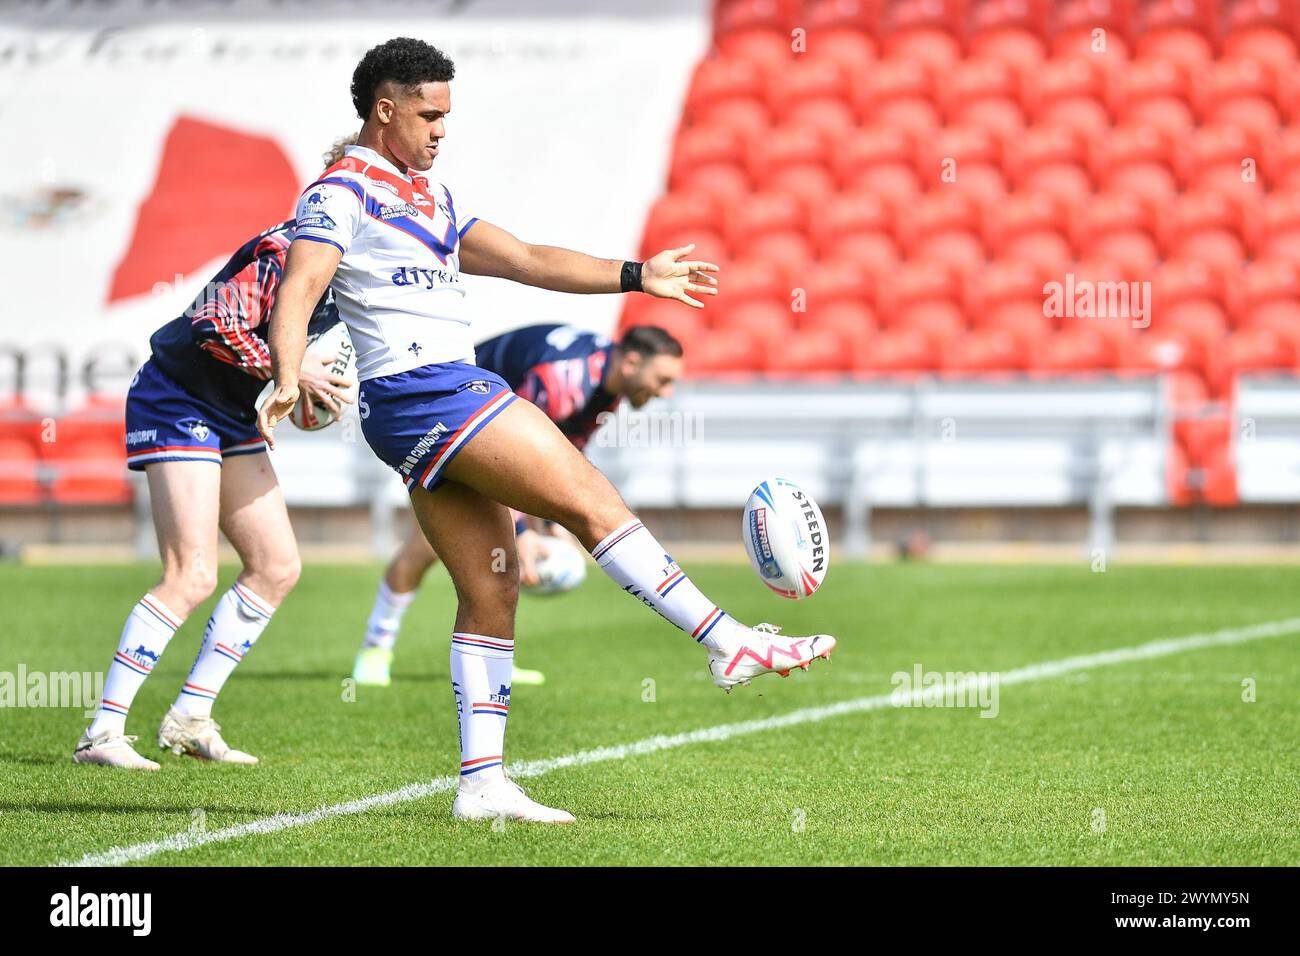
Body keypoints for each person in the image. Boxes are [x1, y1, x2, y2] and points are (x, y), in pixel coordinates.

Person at [257, 37, 837, 823]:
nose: (440, 131)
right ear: (384, 110)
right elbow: (301, 287)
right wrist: (287, 375)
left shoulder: (434, 198)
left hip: (419, 411)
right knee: (590, 499)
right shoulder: (338, 193)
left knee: (492, 588)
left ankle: (481, 785)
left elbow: (529, 258)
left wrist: (637, 276)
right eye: (428, 115)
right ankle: (726, 639)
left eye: (447, 116)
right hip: (430, 391)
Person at [73, 212, 352, 770]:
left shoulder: (350, 273)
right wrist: (289, 375)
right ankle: (101, 734)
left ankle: (188, 719)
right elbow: (212, 323)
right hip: (178, 397)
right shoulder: (289, 251)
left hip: (228, 409)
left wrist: (298, 385)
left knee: (276, 567)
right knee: (191, 572)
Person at [352, 322, 685, 688]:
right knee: (426, 548)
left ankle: (494, 663)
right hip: (444, 425)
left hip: (481, 431)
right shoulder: (563, 380)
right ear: (632, 361)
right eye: (663, 379)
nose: (666, 393)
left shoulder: (605, 387)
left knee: (500, 562)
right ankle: (375, 648)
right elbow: (510, 459)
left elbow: (563, 452)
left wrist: (559, 523)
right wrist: (525, 530)